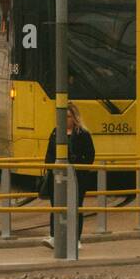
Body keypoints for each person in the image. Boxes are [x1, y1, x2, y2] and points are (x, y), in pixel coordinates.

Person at [39, 103, 96, 246]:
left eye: (69, 116)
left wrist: (77, 164)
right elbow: (49, 154)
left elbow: (89, 155)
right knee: (56, 206)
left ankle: (75, 239)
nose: (65, 120)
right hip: (57, 176)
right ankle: (55, 236)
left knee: (76, 206)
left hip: (77, 177)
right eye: (63, 117)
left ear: (75, 118)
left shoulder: (82, 134)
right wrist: (52, 166)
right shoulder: (55, 132)